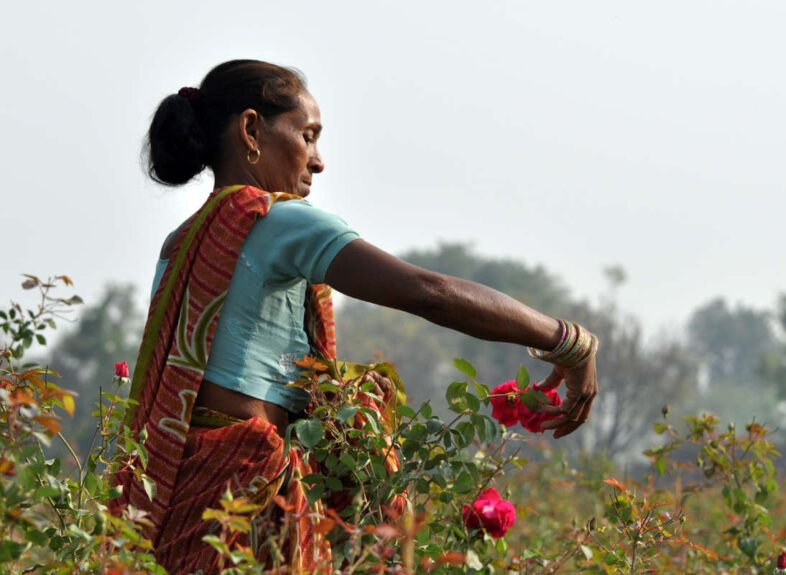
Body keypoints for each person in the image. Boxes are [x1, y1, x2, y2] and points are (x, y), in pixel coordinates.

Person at [112, 59, 598, 574]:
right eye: (308, 135)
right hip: (248, 495)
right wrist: (567, 340)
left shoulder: (181, 241)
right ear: (252, 129)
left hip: (187, 492)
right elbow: (428, 292)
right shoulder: (279, 222)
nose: (317, 161)